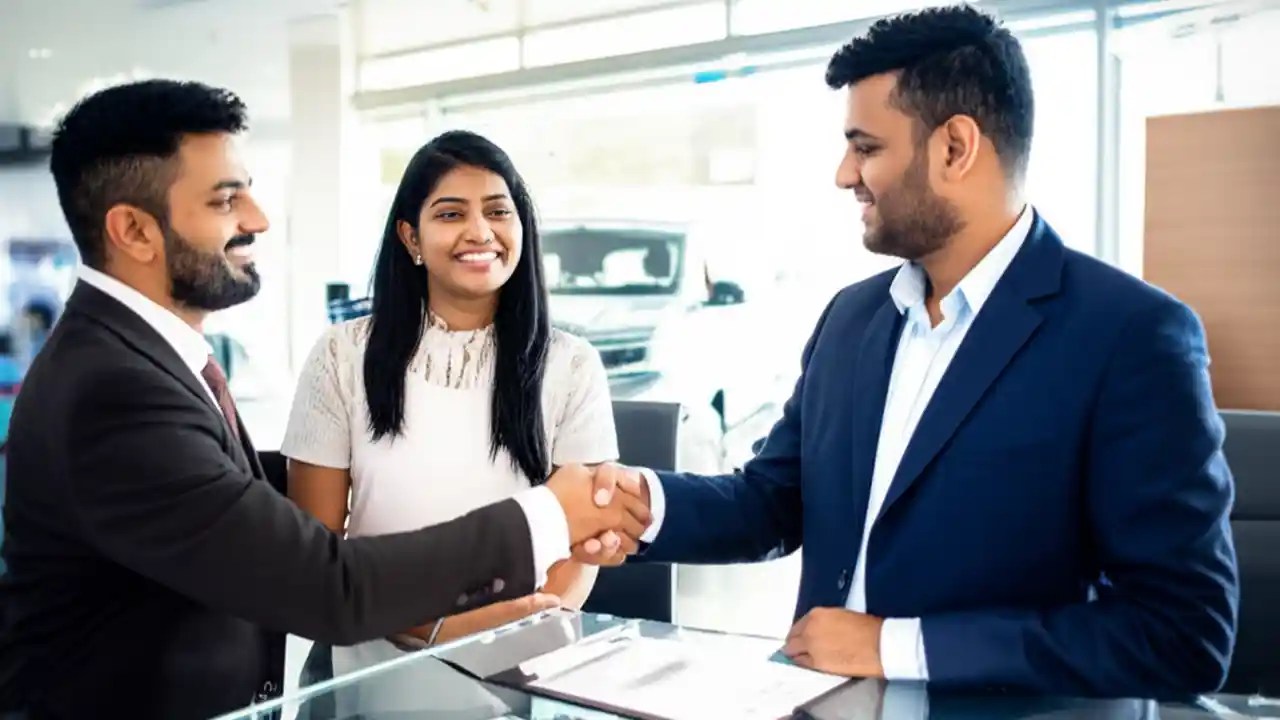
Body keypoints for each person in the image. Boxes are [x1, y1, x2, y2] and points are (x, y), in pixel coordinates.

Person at [588, 5, 1238, 699]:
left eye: (865, 147)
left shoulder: (1130, 336)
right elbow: (772, 502)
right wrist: (638, 501)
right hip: (818, 701)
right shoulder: (852, 318)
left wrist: (897, 644)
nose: (844, 173)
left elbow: (1183, 633)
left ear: (955, 148)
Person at [0, 79, 646, 720]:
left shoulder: (132, 361)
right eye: (227, 201)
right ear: (134, 231)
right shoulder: (116, 390)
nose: (257, 218)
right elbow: (328, 585)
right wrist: (548, 516)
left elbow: (207, 494)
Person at [281, 130, 618, 712]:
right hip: (367, 664)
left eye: (497, 211)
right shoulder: (341, 355)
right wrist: (431, 628)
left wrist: (491, 633)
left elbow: (581, 544)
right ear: (410, 236)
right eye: (450, 213)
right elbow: (314, 552)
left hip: (516, 663)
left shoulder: (571, 364)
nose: (480, 232)